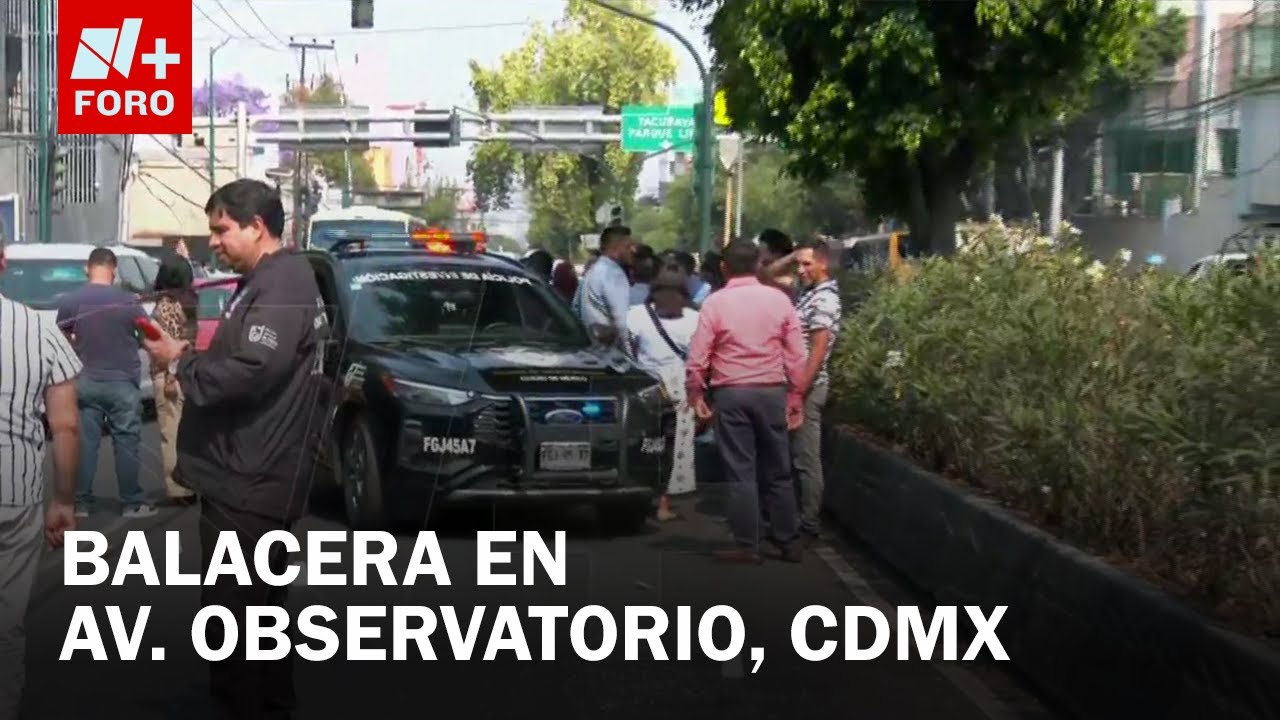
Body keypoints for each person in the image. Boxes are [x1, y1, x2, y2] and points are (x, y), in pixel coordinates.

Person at [142, 179, 328, 720]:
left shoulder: (281, 282)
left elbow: (250, 369)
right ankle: (269, 702)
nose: (214, 242)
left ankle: (247, 704)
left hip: (248, 478)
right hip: (256, 474)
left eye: (222, 229)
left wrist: (180, 364)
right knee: (261, 617)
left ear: (258, 227)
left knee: (234, 619)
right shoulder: (273, 279)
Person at [686, 239, 807, 564]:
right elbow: (796, 354)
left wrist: (695, 393)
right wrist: (796, 396)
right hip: (772, 391)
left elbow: (699, 356)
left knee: (742, 471)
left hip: (732, 392)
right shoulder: (780, 301)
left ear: (724, 268)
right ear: (757, 266)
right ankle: (788, 542)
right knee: (779, 469)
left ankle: (747, 545)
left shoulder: (715, 303)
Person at [0, 238, 81, 720]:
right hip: (15, 492)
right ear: (3, 261)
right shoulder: (38, 329)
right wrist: (64, 500)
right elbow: (67, 425)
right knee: (7, 622)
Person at [55, 247, 156, 519]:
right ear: (114, 269)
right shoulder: (128, 300)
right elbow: (150, 333)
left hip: (86, 380)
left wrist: (75, 351)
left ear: (88, 269)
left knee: (86, 443)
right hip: (123, 382)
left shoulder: (72, 300)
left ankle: (82, 503)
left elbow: (61, 336)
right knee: (126, 442)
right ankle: (131, 503)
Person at [627, 268, 701, 521]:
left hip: (646, 391)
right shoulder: (694, 319)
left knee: (645, 446)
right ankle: (663, 503)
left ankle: (641, 497)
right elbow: (698, 362)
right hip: (679, 392)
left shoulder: (637, 315)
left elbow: (630, 353)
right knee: (674, 449)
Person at [792, 238, 842, 543]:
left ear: (824, 264)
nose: (800, 270)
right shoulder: (808, 295)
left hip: (808, 388)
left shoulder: (824, 300)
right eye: (798, 264)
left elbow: (818, 350)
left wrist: (798, 392)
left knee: (806, 459)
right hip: (798, 387)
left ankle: (808, 522)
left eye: (807, 263)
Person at [149, 254, 198, 506]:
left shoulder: (166, 306)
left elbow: (171, 343)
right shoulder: (191, 301)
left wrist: (169, 376)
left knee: (171, 433)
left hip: (170, 373)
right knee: (189, 433)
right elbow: (188, 341)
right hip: (190, 373)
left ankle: (180, 489)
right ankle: (193, 481)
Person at [572, 226, 635, 349]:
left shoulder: (593, 271)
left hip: (593, 349)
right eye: (628, 247)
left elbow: (575, 307)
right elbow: (623, 321)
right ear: (615, 248)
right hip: (612, 352)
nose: (632, 251)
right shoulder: (613, 274)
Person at [757, 228, 798, 297]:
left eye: (762, 250)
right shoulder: (759, 275)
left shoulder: (795, 283)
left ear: (778, 253)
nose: (759, 256)